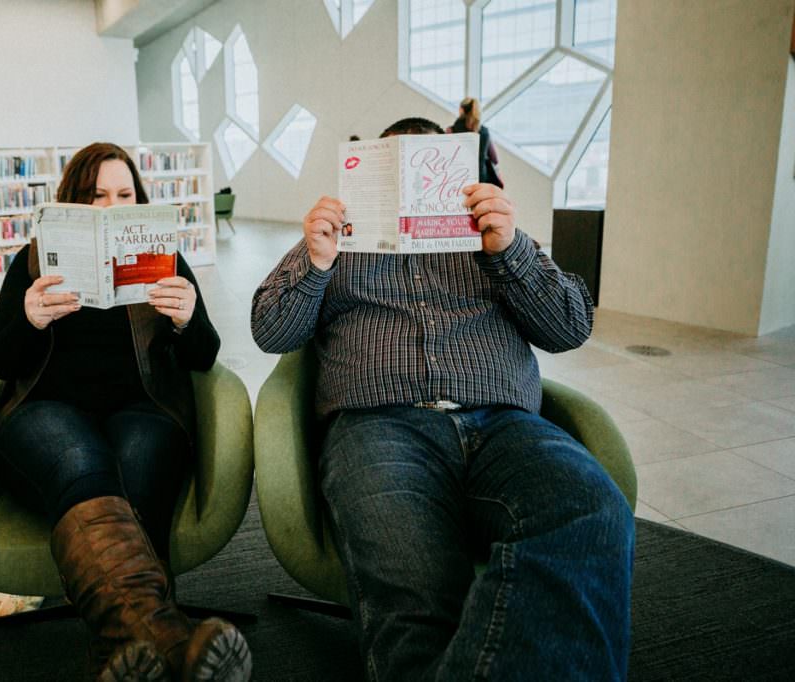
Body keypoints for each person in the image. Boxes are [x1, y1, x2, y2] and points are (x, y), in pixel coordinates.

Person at [250, 118, 633, 680]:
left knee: (593, 510)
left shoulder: (490, 240)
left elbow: (571, 326)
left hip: (506, 427)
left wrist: (512, 251)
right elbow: (270, 331)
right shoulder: (339, 245)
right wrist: (314, 261)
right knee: (415, 599)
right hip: (379, 426)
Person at [0, 142, 252, 682]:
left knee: (139, 470)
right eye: (96, 195)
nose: (111, 207)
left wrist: (186, 318)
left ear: (139, 200)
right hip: (47, 410)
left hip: (143, 407)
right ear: (72, 202)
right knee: (83, 461)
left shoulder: (164, 260)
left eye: (124, 194)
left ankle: (124, 651)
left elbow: (204, 354)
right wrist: (30, 319)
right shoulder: (33, 260)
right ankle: (173, 642)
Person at [449, 96, 503, 188]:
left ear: (461, 110)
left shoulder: (452, 130)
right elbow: (494, 158)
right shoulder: (484, 131)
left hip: (459, 177)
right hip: (482, 179)